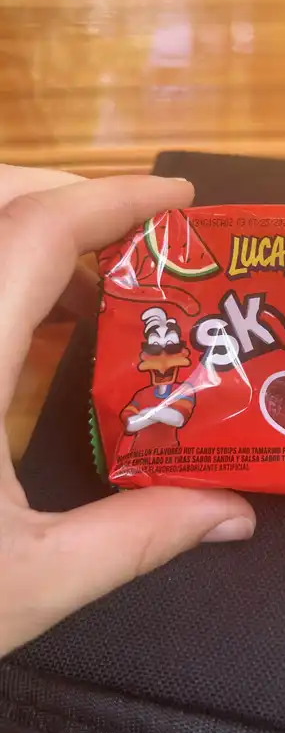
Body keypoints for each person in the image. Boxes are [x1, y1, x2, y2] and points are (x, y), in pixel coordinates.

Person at [0, 165, 256, 658]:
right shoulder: (152, 386)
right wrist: (144, 416)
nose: (163, 346)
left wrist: (151, 416)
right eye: (157, 338)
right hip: (151, 456)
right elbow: (152, 412)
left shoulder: (173, 392)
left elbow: (176, 415)